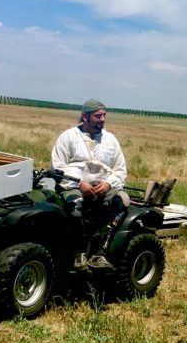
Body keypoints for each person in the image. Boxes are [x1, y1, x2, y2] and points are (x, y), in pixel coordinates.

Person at [51, 98, 129, 269]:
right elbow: (58, 167)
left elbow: (120, 170)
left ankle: (100, 253)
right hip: (73, 186)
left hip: (103, 186)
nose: (102, 119)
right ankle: (79, 253)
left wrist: (108, 184)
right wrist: (80, 183)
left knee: (122, 201)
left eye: (104, 116)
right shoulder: (68, 137)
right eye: (98, 116)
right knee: (75, 206)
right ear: (85, 117)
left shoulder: (110, 140)